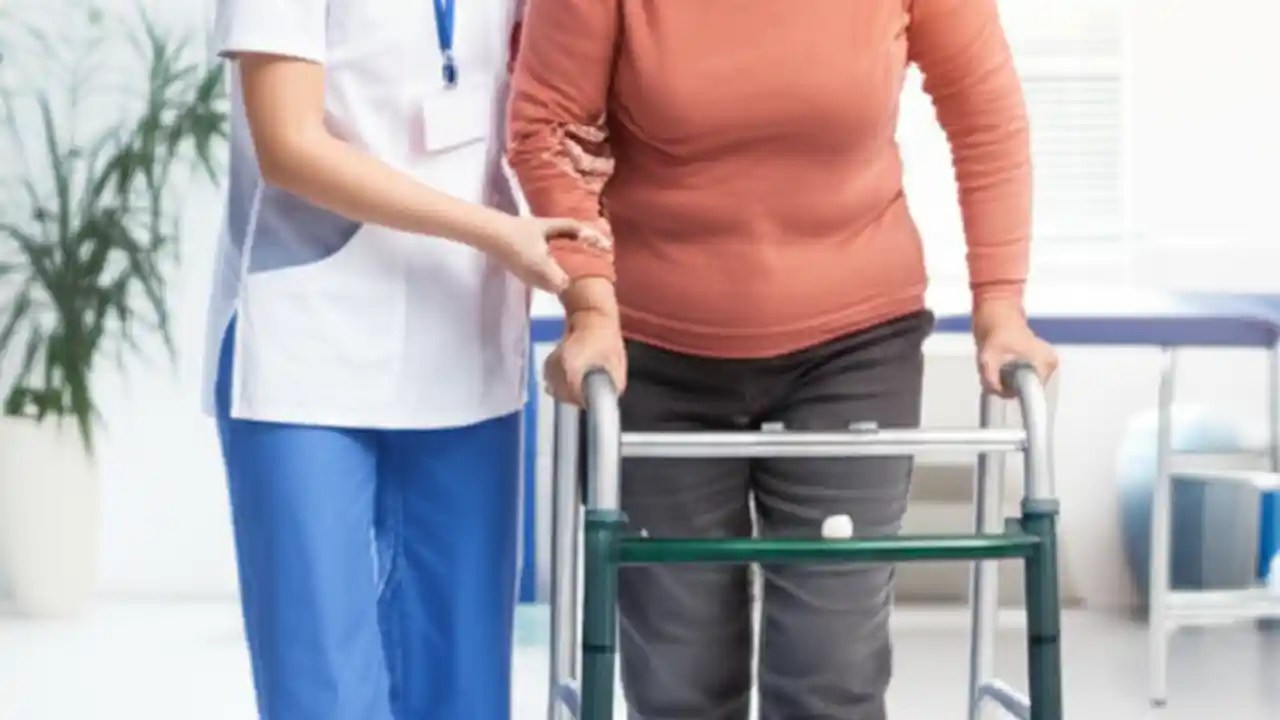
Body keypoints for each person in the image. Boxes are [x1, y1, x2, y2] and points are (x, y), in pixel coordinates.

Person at [507, 1, 1058, 718]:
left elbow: (986, 114)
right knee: (679, 680)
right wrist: (590, 306)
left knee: (831, 670)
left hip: (853, 347)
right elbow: (547, 128)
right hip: (652, 349)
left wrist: (1001, 305)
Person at [204, 1, 597, 718]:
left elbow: (557, 96)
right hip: (307, 340)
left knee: (464, 689)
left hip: (465, 337)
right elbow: (289, 145)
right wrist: (492, 232)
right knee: (322, 688)